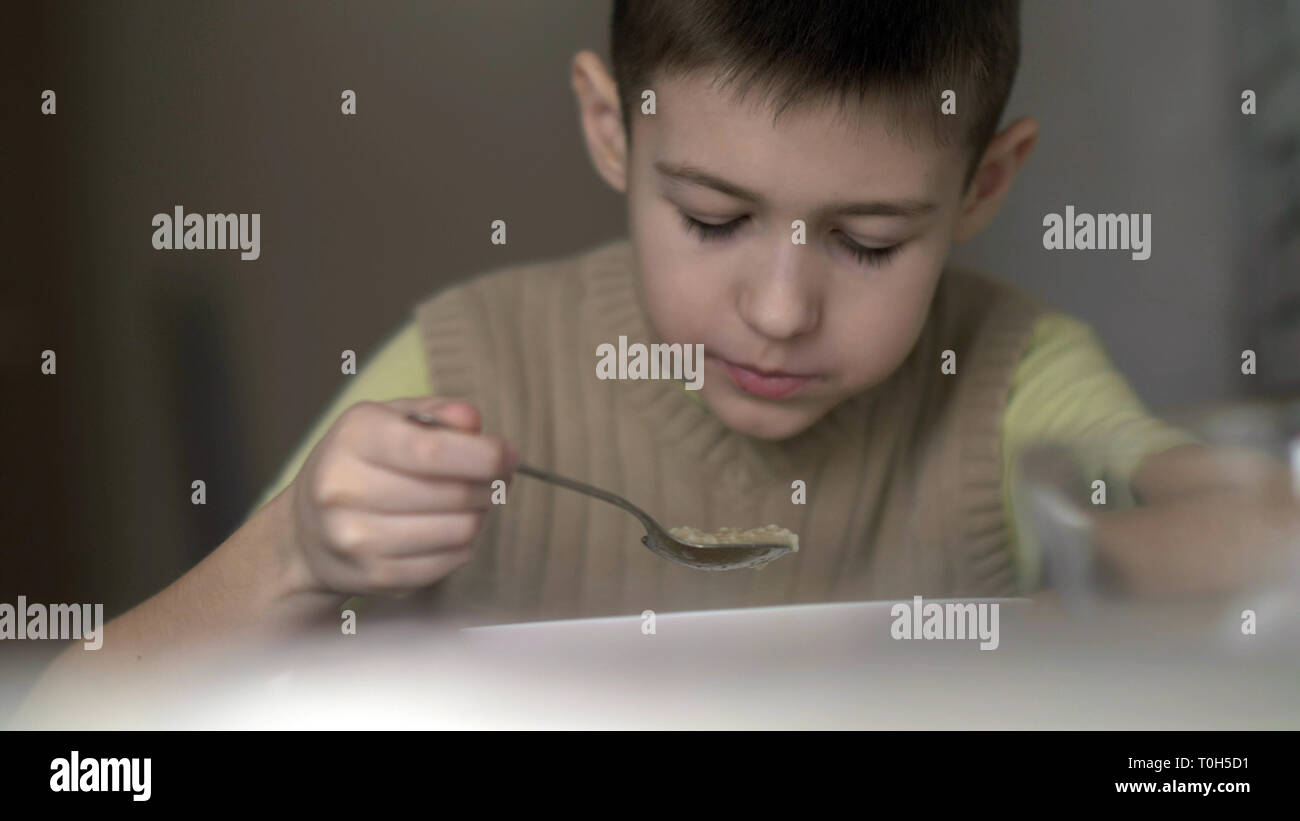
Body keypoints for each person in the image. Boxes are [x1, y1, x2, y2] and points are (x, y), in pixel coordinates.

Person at [32, 1, 1300, 688]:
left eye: (867, 241)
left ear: (982, 187)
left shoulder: (1016, 375)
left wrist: (1202, 522)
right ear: (608, 129)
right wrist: (296, 553)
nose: (780, 311)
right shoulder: (472, 362)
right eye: (710, 218)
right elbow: (78, 721)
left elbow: (1194, 510)